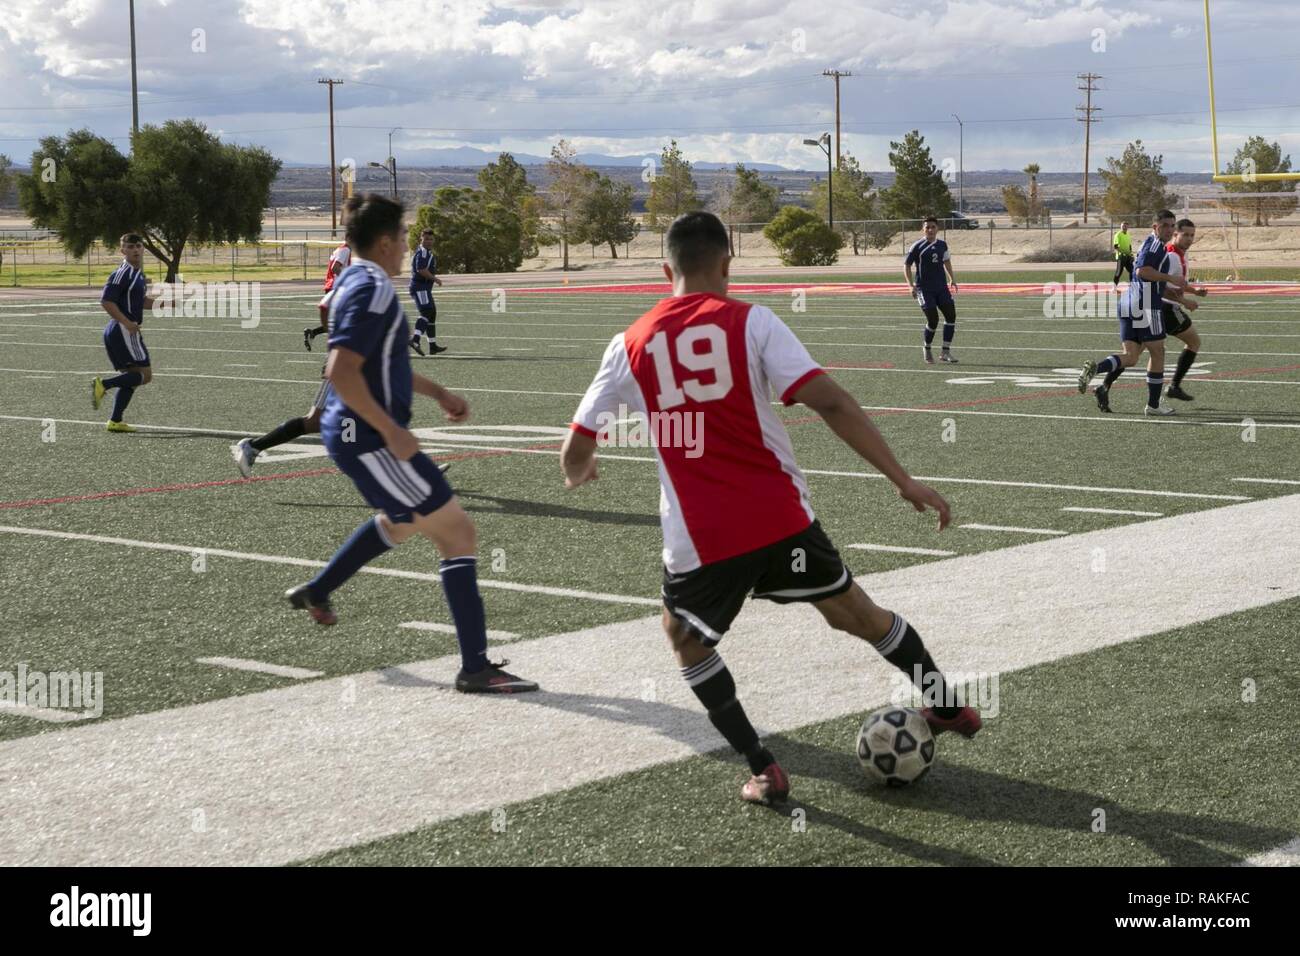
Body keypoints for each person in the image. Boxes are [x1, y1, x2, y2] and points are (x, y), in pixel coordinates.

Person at [561, 211, 979, 805]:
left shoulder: (628, 343)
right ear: (727, 266)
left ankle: (764, 768)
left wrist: (581, 467)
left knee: (685, 638)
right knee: (855, 614)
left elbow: (576, 444)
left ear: (665, 270)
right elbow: (832, 404)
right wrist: (902, 480)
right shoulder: (752, 322)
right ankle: (944, 703)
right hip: (783, 522)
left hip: (703, 538)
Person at [284, 194, 535, 695]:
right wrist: (392, 429)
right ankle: (475, 667)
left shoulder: (358, 280)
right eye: (401, 237)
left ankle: (320, 588)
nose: (405, 247)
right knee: (457, 534)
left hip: (358, 433)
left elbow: (382, 363)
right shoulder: (373, 286)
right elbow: (341, 371)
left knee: (399, 523)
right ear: (383, 242)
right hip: (368, 437)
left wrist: (437, 391)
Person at [91, 234, 157, 433]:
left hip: (123, 330)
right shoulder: (123, 273)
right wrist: (127, 323)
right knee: (144, 376)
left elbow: (142, 301)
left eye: (138, 246)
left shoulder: (137, 274)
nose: (136, 250)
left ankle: (115, 420)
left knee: (132, 377)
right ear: (123, 251)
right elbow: (106, 301)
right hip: (123, 330)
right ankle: (103, 384)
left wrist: (166, 303)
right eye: (131, 247)